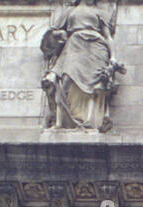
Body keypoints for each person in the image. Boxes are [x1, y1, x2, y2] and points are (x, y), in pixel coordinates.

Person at [41, 0, 126, 132]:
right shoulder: (69, 12)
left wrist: (113, 56)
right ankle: (67, 121)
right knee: (67, 79)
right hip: (75, 44)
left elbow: (108, 37)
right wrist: (57, 35)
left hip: (97, 47)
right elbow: (53, 33)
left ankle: (90, 122)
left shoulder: (100, 13)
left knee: (95, 85)